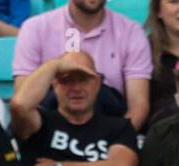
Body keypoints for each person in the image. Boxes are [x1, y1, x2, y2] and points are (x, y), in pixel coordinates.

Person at [10, 50, 140, 166]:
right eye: (67, 80)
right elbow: (20, 105)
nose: (76, 88)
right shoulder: (40, 124)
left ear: (98, 83)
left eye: (84, 79)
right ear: (54, 84)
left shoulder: (118, 127)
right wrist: (54, 66)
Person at [10, 0, 154, 132]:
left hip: (108, 132)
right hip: (47, 133)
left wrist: (115, 142)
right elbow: (23, 101)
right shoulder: (34, 28)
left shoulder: (132, 32)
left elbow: (138, 106)